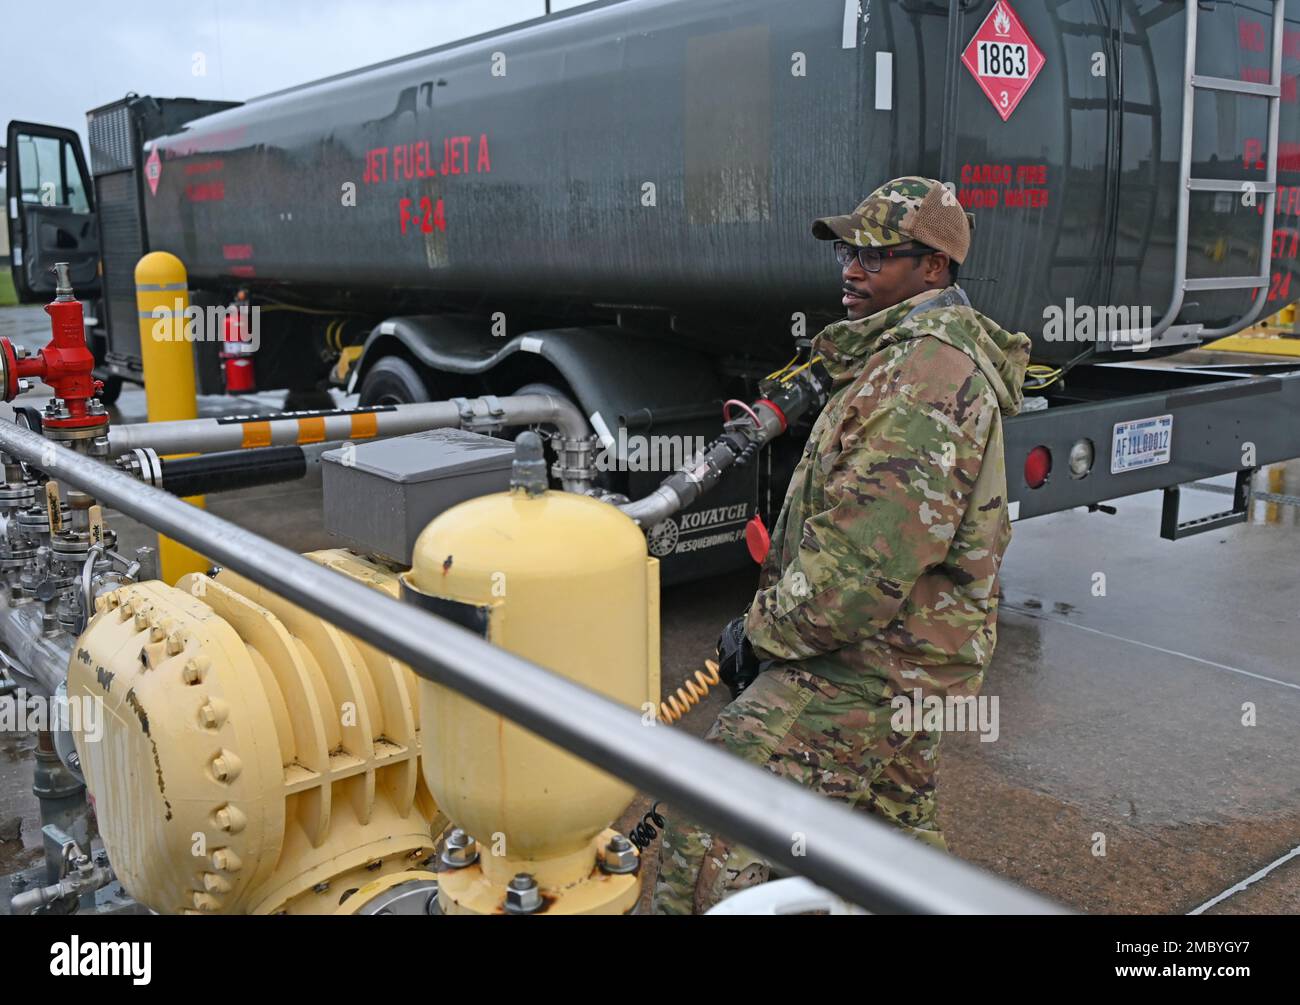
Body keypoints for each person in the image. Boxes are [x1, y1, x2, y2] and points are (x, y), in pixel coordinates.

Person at [651, 176, 1031, 915]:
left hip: (867, 665)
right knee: (890, 841)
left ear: (934, 268)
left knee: (712, 826)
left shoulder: (923, 375)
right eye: (850, 252)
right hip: (906, 658)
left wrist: (760, 635)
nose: (852, 270)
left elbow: (855, 577)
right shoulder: (901, 357)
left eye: (879, 254)